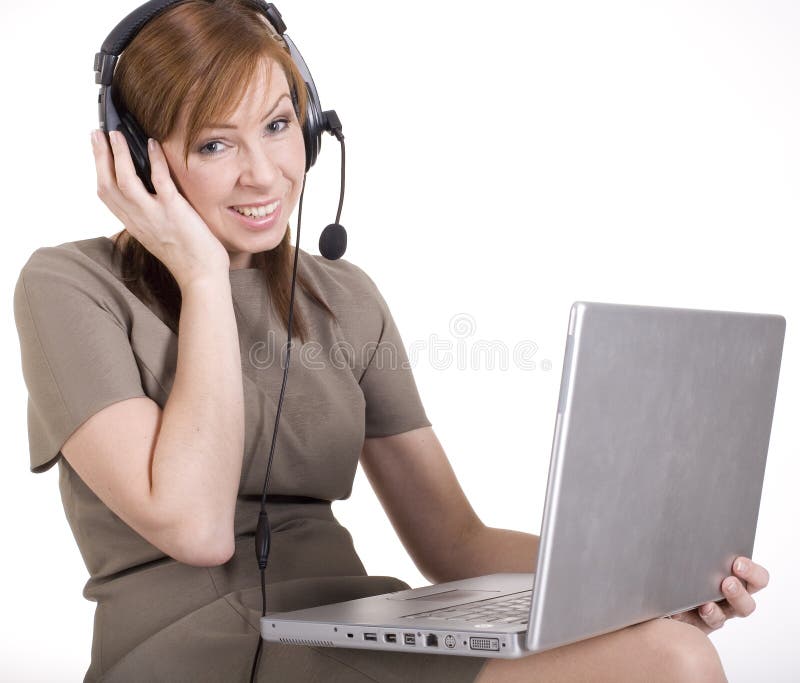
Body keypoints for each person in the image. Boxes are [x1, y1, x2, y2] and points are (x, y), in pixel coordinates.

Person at [13, 1, 769, 681]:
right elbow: (196, 526)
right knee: (671, 664)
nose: (266, 174)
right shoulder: (70, 286)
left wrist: (643, 585)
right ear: (140, 158)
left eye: (279, 126)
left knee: (663, 642)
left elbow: (454, 540)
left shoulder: (344, 298)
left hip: (357, 627)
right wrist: (206, 280)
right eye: (216, 144)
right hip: (190, 650)